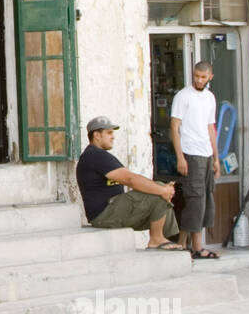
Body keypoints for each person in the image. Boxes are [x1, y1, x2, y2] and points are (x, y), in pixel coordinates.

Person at [76, 116, 183, 250]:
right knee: (159, 190)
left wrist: (162, 190)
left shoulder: (99, 155)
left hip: (112, 211)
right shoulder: (94, 155)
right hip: (104, 214)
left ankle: (165, 240)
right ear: (96, 135)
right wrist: (163, 190)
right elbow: (130, 179)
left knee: (159, 190)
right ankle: (156, 239)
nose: (113, 137)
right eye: (109, 133)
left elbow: (129, 177)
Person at [171, 60, 219, 259]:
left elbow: (211, 128)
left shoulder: (210, 98)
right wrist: (180, 156)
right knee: (194, 199)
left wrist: (216, 157)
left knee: (206, 197)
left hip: (206, 153)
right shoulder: (183, 96)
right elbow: (174, 127)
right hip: (190, 153)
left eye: (203, 77)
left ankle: (184, 244)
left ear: (210, 77)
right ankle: (196, 247)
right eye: (196, 76)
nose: (199, 80)